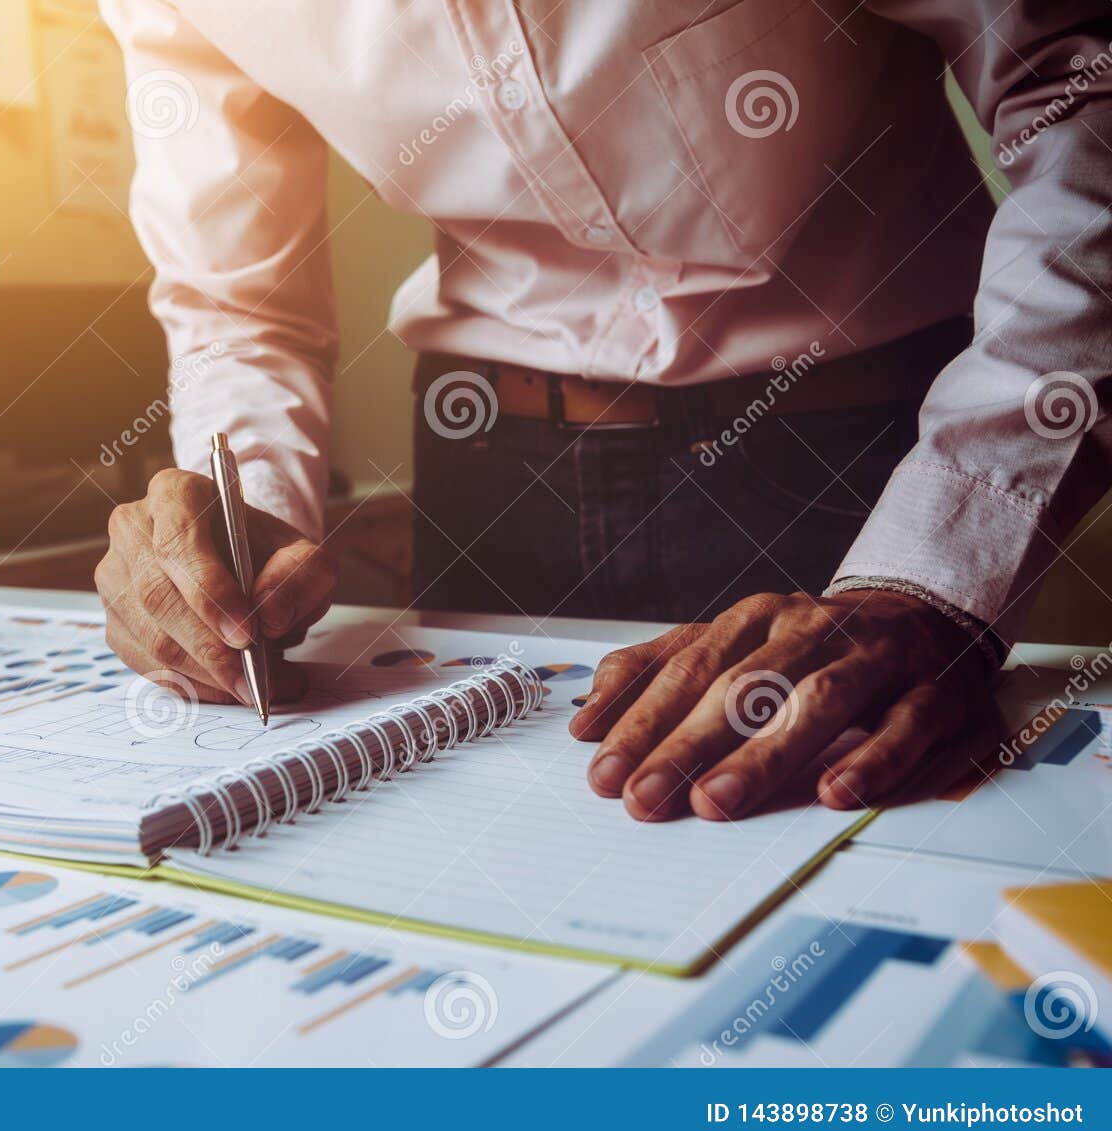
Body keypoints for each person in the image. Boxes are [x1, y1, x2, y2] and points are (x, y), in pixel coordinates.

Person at [92, 1, 1112, 823]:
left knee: (874, 845)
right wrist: (243, 520)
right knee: (481, 880)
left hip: (863, 461)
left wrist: (933, 574)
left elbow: (1076, 89)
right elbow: (236, 306)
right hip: (488, 478)